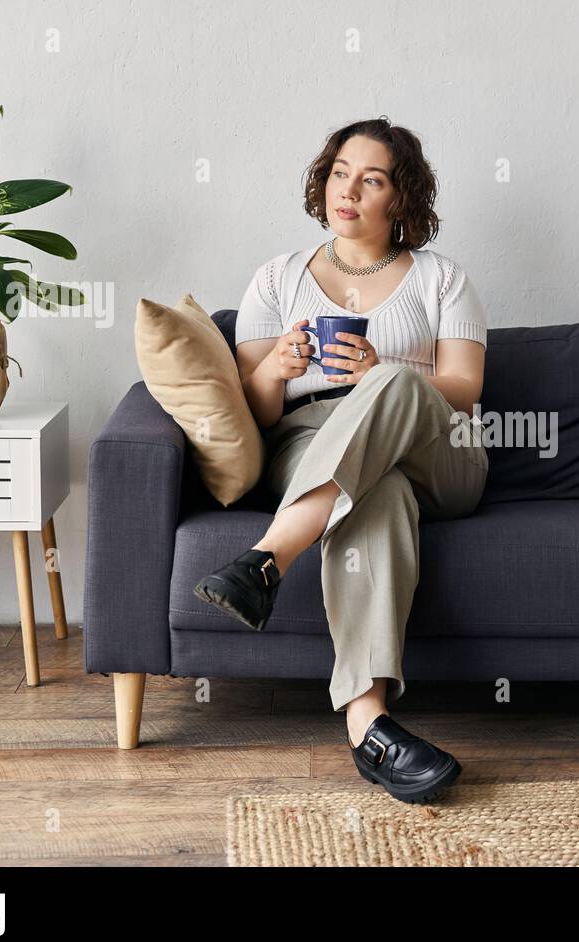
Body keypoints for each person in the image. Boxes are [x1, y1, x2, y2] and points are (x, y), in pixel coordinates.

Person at [191, 117, 490, 804]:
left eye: (373, 178)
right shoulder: (278, 278)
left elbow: (466, 390)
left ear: (402, 199)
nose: (348, 189)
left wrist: (384, 372)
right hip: (312, 442)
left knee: (393, 385)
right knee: (374, 494)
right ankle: (370, 726)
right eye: (340, 172)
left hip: (439, 447)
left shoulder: (443, 279)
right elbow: (256, 409)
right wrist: (274, 370)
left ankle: (268, 557)